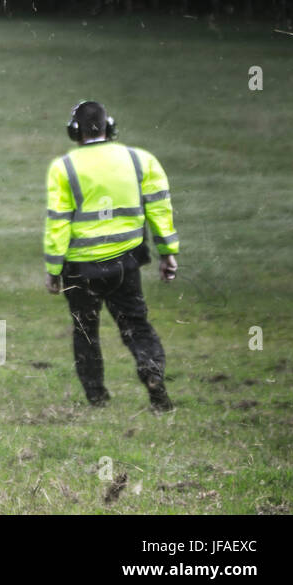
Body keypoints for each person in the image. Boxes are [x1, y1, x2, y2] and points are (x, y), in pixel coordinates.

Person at [43, 100, 179, 411]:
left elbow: (58, 223)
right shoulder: (140, 160)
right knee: (136, 325)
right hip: (125, 263)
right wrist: (168, 252)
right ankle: (153, 376)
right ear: (111, 128)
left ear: (74, 131)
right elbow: (159, 208)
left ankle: (96, 398)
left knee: (85, 331)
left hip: (80, 269)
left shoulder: (62, 168)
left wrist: (53, 270)